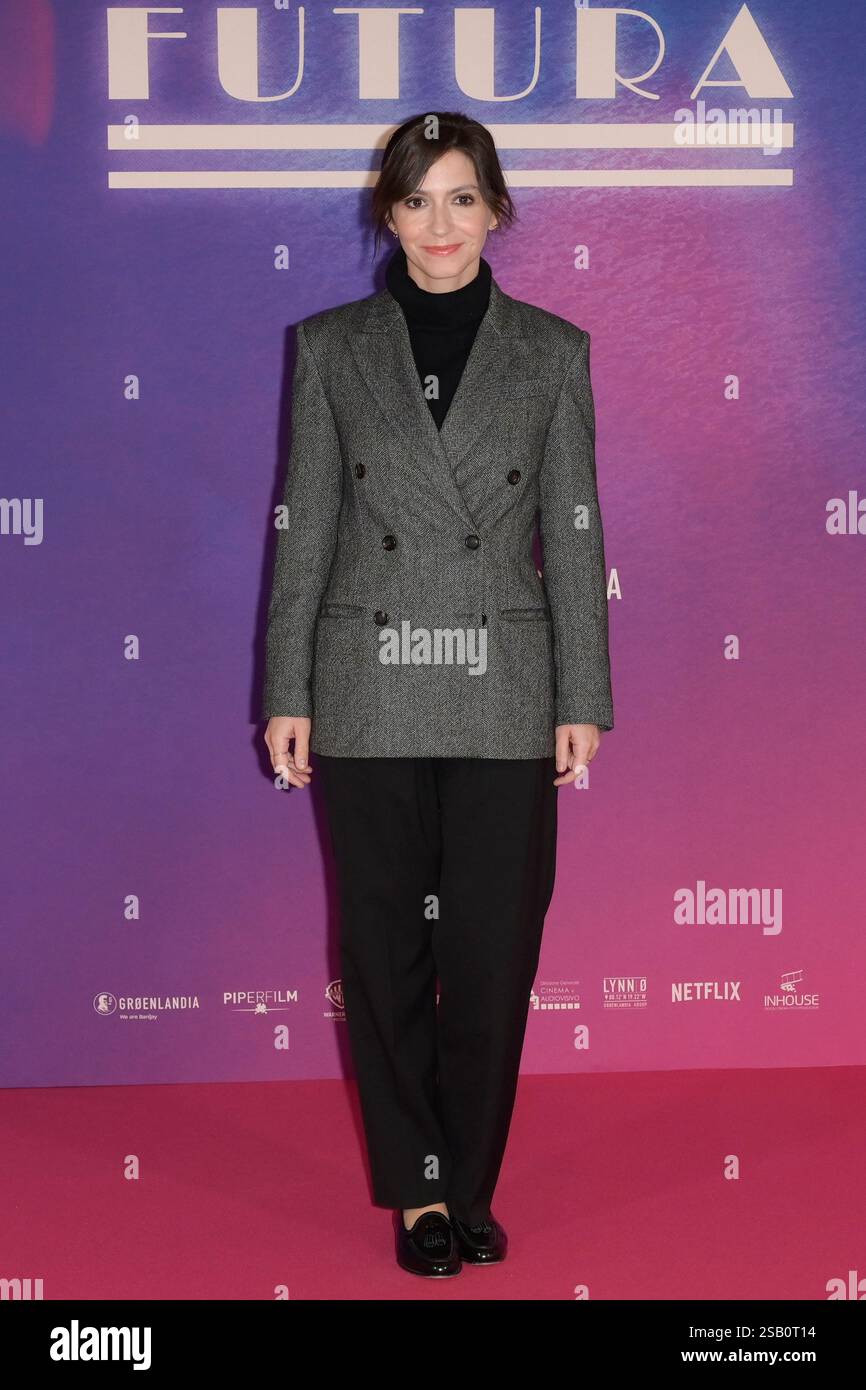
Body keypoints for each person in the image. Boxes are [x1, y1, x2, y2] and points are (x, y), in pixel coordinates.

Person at [261, 111, 614, 1278]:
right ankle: (417, 1191)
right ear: (387, 212)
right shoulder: (328, 346)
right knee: (382, 946)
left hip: (503, 683)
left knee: (492, 946)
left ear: (496, 210)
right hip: (366, 679)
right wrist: (287, 685)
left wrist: (583, 695)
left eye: (461, 197)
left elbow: (572, 536)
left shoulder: (554, 351)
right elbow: (305, 527)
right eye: (416, 200)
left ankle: (470, 1179)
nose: (439, 223)